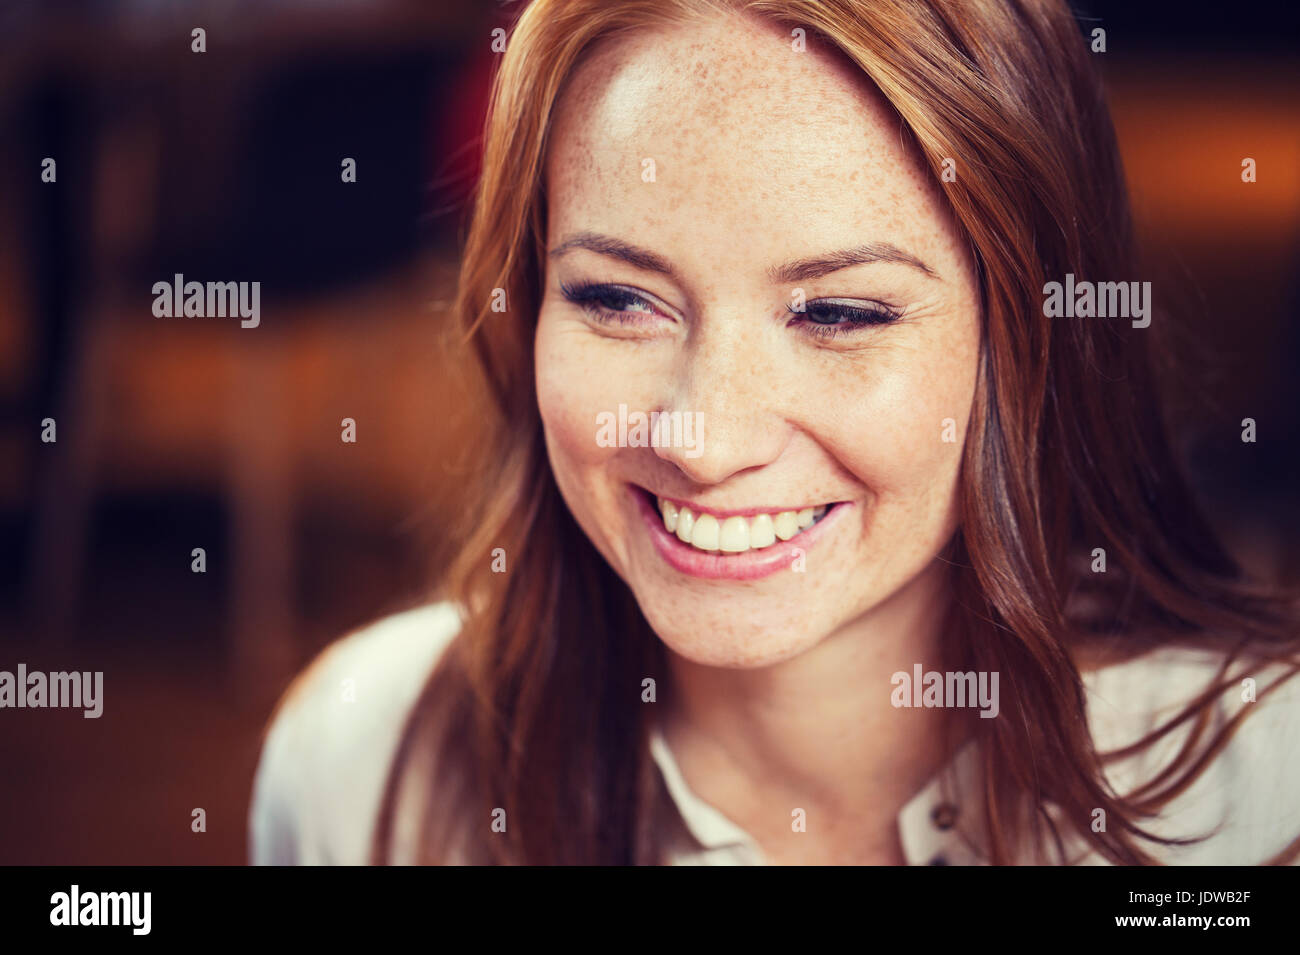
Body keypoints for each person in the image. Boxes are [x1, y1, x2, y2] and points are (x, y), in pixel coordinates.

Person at [250, 0, 1300, 866]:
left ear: (1029, 338)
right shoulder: (358, 764)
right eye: (617, 297)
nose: (703, 440)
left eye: (838, 314)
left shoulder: (1267, 786)